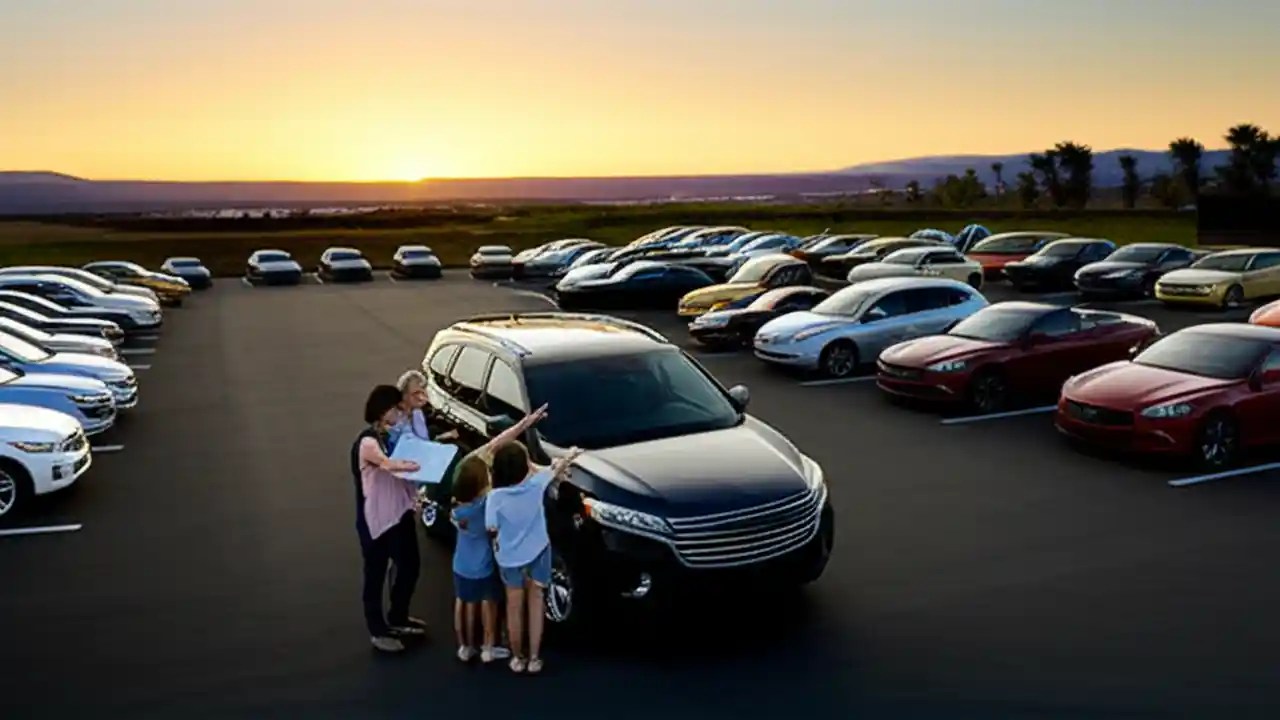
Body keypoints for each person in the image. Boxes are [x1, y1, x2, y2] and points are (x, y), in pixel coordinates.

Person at [486, 441, 582, 674]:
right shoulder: (536, 485)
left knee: (514, 606)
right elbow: (556, 468)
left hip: (509, 558)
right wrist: (570, 454)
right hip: (539, 552)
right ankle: (535, 658)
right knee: (536, 602)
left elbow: (491, 527)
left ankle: (517, 658)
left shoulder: (495, 497)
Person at [352, 384, 426, 653]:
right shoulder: (368, 441)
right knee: (375, 573)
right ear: (384, 411)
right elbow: (387, 464)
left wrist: (413, 496)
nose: (400, 414)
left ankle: (399, 616)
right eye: (396, 409)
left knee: (410, 565)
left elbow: (401, 475)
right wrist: (419, 464)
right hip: (376, 521)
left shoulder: (392, 437)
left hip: (400, 514)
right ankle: (378, 630)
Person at [449, 457, 508, 664]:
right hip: (483, 566)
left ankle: (464, 646)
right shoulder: (484, 506)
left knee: (462, 602)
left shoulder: (457, 510)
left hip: (460, 565)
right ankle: (488, 647)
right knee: (488, 604)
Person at [389, 370, 458, 450]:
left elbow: (424, 440)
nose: (421, 398)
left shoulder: (417, 412)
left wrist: (444, 436)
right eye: (416, 393)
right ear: (404, 395)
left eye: (422, 392)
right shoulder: (396, 420)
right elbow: (417, 448)